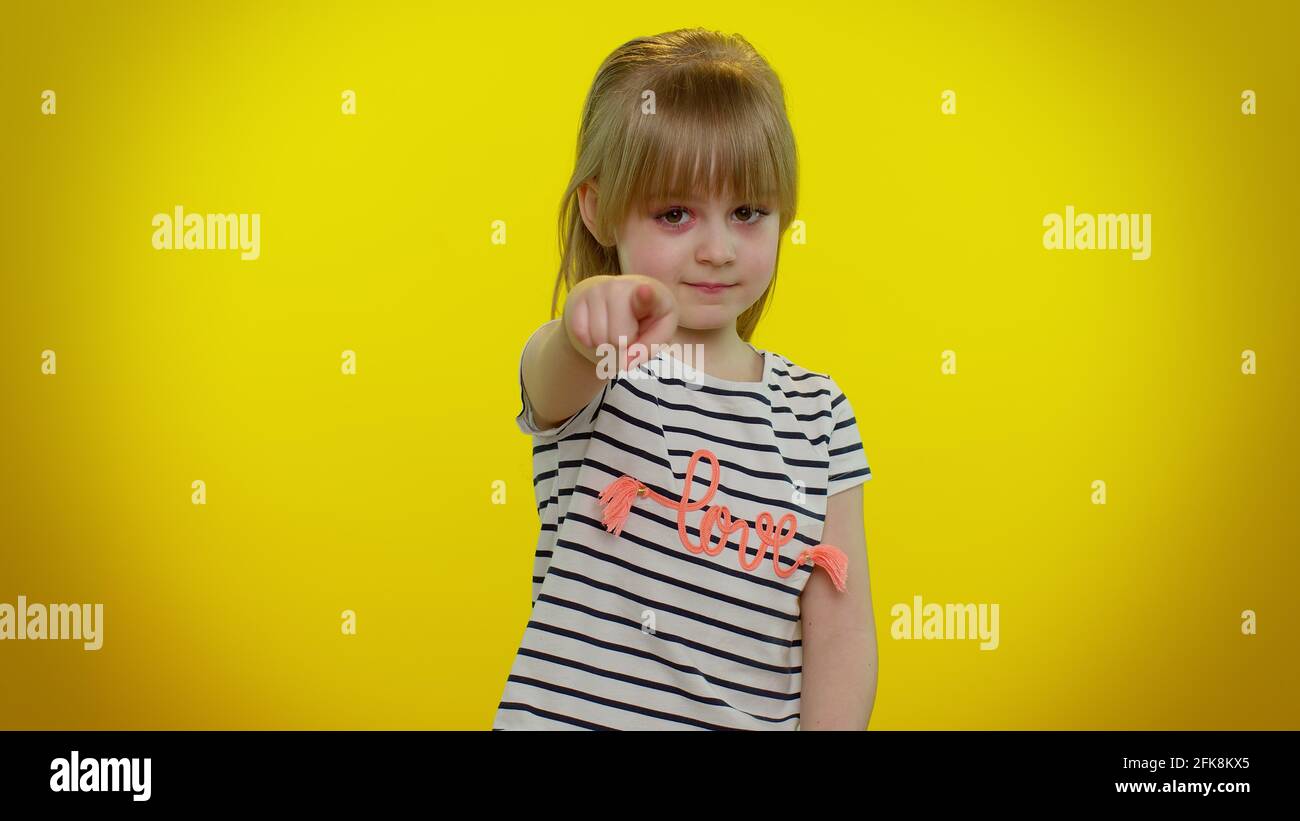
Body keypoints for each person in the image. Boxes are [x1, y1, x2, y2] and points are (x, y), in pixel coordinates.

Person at [493, 27, 877, 730]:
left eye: (747, 212)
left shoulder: (819, 413)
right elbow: (553, 375)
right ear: (597, 207)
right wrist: (586, 321)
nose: (717, 249)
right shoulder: (602, 365)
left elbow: (842, 633)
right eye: (675, 213)